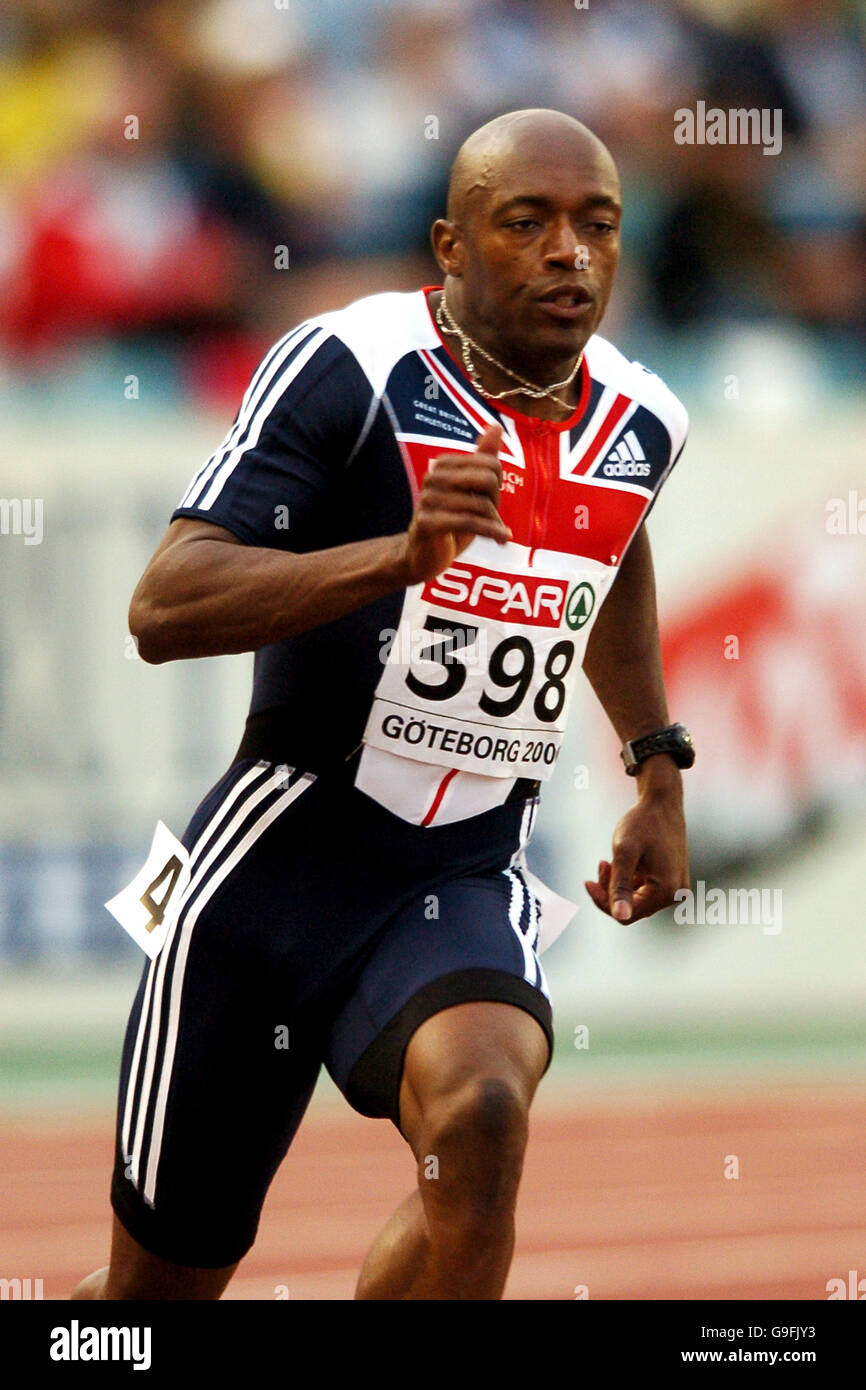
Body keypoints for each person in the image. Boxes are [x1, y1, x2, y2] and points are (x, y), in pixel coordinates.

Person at [73, 108, 693, 1302]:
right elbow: (163, 607)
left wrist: (655, 767)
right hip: (266, 876)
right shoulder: (348, 367)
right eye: (526, 223)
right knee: (153, 1302)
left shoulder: (642, 417)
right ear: (448, 247)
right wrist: (391, 561)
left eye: (596, 224)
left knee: (484, 1109)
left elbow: (615, 554)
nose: (569, 252)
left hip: (456, 871)